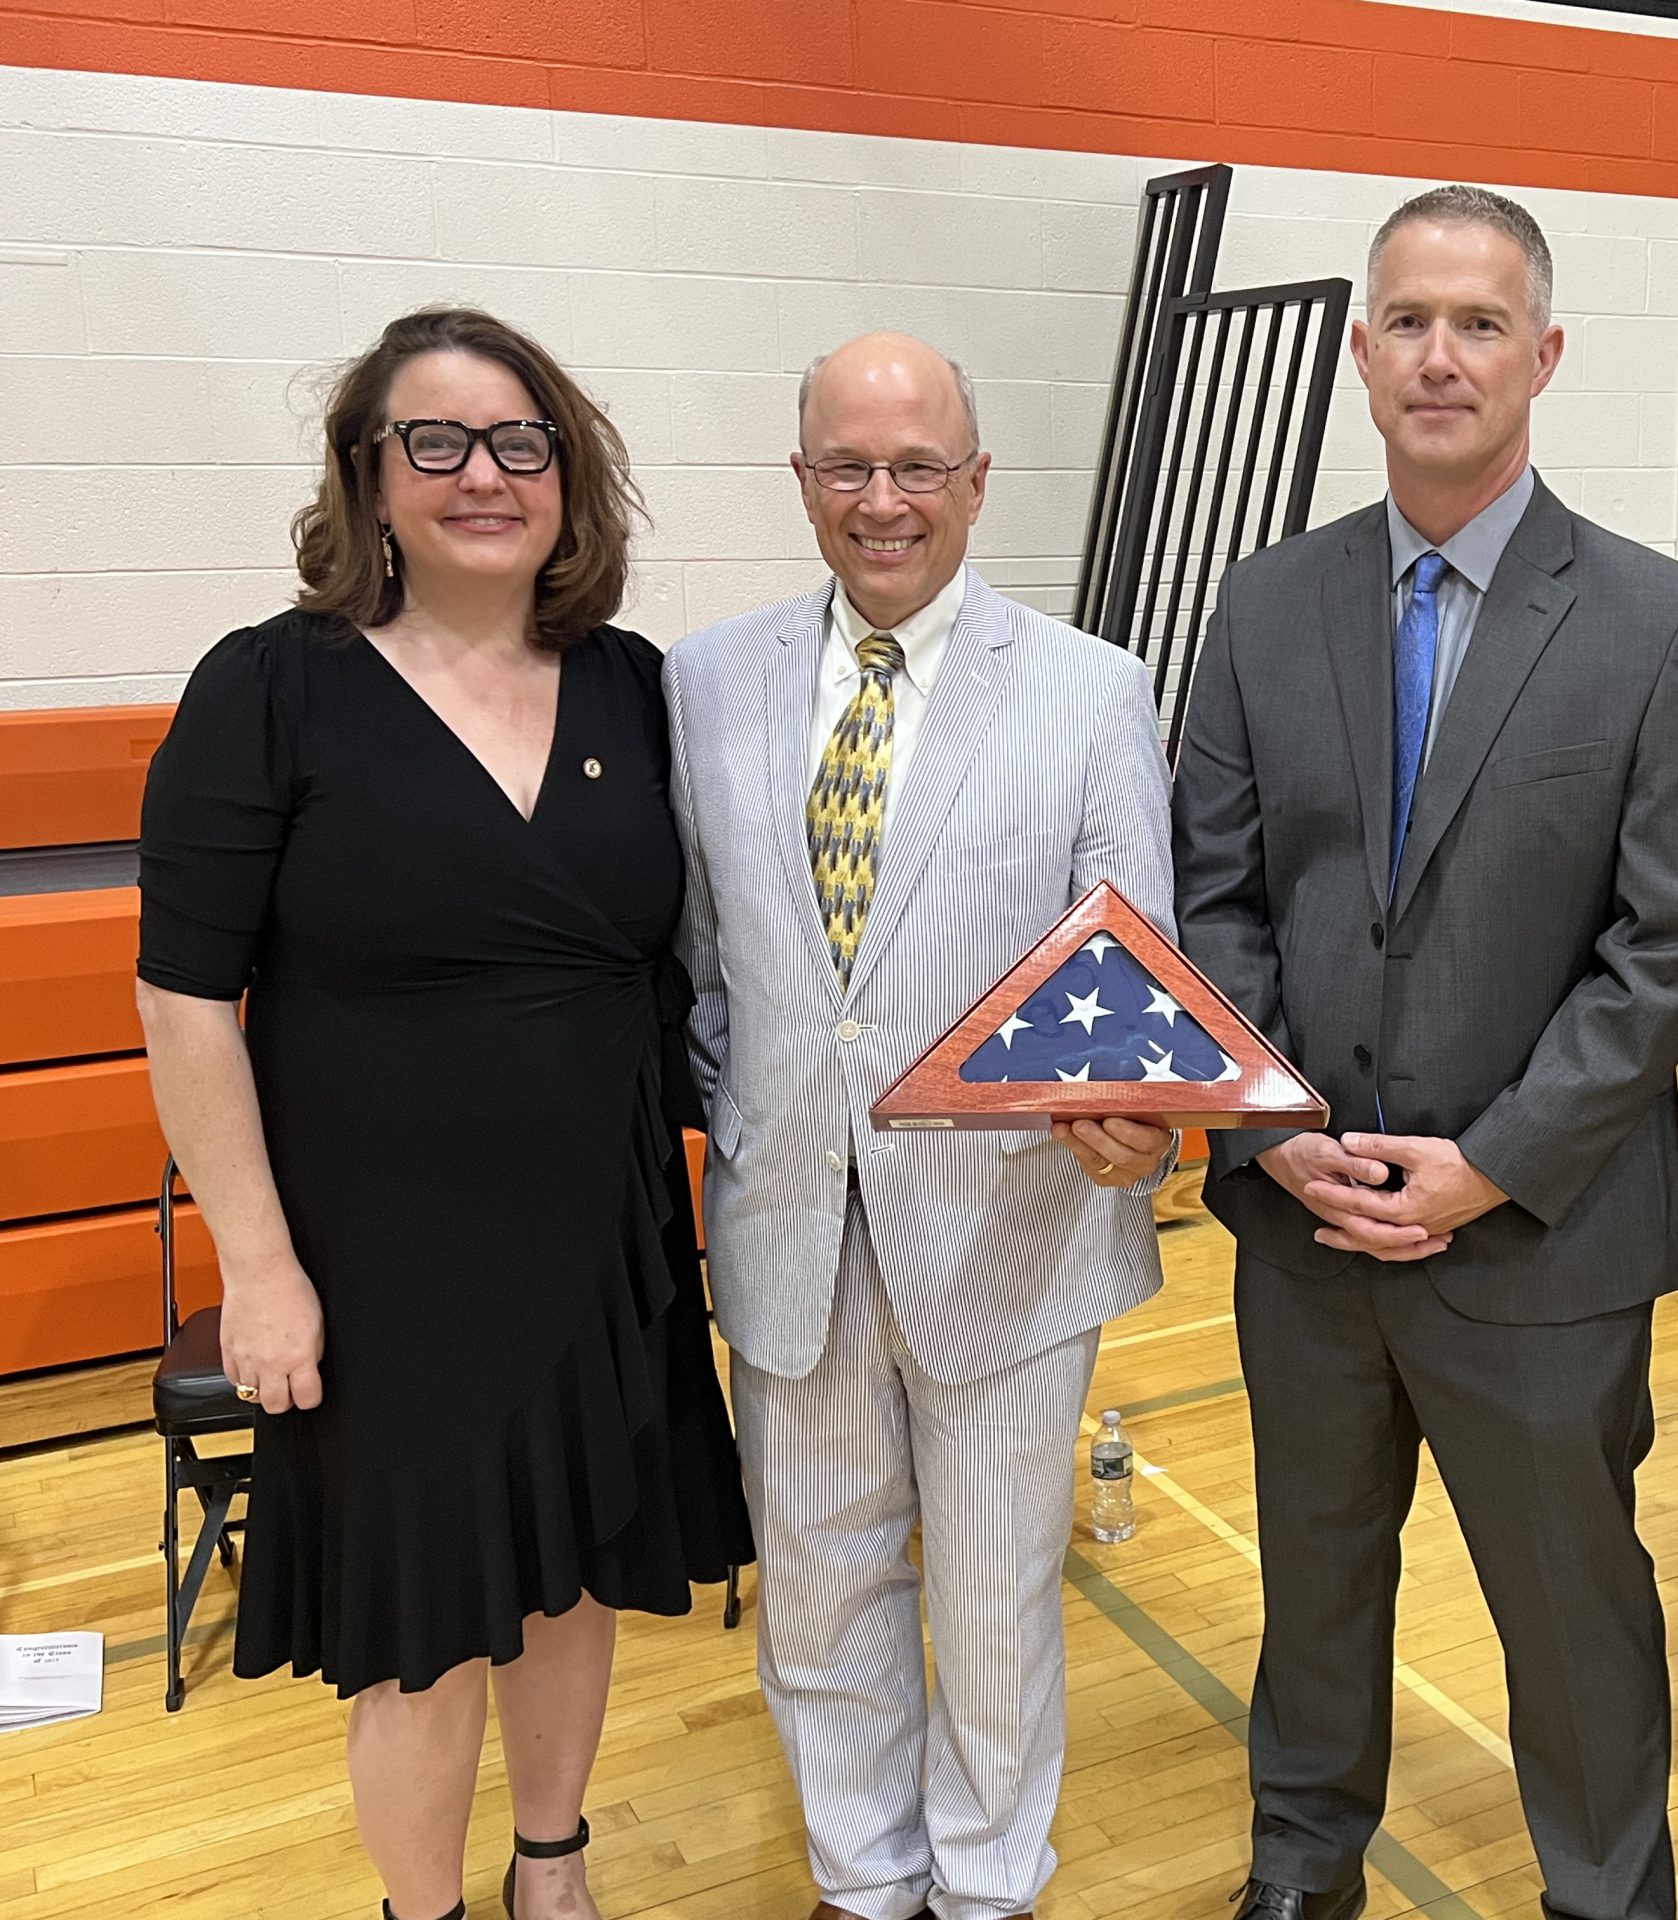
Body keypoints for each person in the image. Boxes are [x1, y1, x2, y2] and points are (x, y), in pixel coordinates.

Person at [1171, 185, 1678, 1920]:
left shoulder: (1661, 624)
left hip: (1539, 1242)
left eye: (1480, 323)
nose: (1442, 355)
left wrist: (1492, 1160)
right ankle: (1299, 1871)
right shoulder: (1264, 607)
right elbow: (1217, 901)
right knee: (1316, 1591)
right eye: (1409, 321)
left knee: (1574, 1614)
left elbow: (1675, 949)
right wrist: (1273, 1130)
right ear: (1361, 355)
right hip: (1306, 1224)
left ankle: (1604, 1893)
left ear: (1544, 355)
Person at [135, 306, 755, 1920]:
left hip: (603, 1222)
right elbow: (185, 1001)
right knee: (421, 1624)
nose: (486, 475)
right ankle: (431, 1910)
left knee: (576, 1566)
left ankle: (553, 1863)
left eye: (522, 442)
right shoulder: (270, 687)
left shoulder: (633, 688)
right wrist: (258, 1269)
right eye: (439, 442)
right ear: (370, 474)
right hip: (380, 1250)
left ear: (570, 474)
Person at [665, 332, 1175, 1920]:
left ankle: (985, 1885)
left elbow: (1133, 976)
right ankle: (860, 1878)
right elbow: (699, 969)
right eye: (848, 468)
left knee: (1000, 1602)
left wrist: (1142, 1127)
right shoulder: (702, 682)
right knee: (814, 1592)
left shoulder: (1093, 690)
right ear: (803, 477)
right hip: (789, 1229)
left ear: (975, 481)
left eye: (917, 470)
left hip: (1015, 1234)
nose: (883, 503)